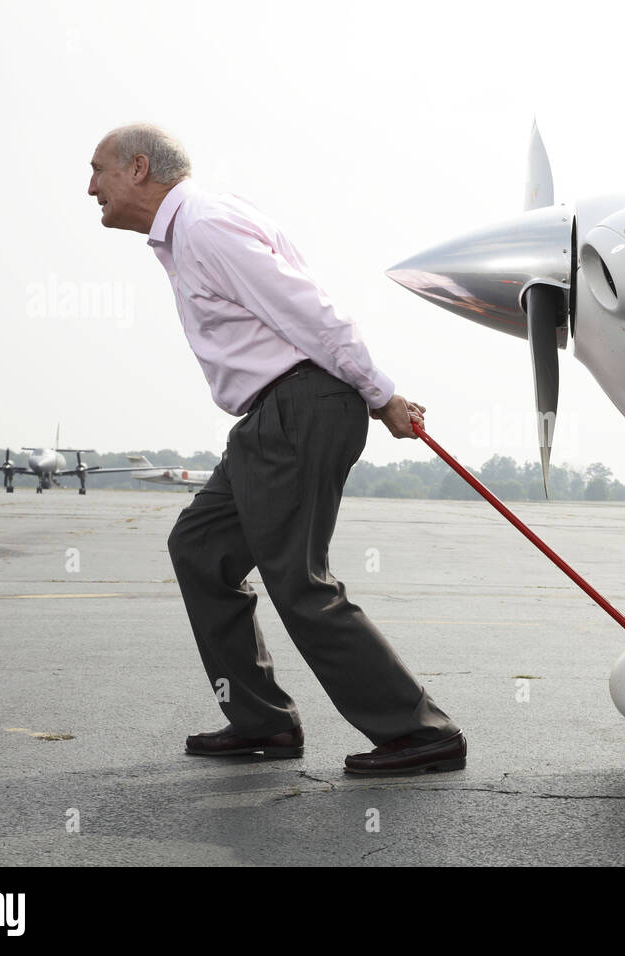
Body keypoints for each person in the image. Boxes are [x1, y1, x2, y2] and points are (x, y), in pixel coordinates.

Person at [87, 123, 465, 775]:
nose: (90, 186)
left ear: (138, 168)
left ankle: (419, 732)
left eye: (98, 170)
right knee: (201, 548)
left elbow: (312, 312)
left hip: (299, 403)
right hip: (273, 413)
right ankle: (262, 720)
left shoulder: (205, 225)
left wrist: (382, 395)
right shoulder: (195, 229)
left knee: (298, 580)